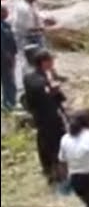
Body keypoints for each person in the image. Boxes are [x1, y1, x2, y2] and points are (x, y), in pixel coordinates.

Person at [22, 49, 67, 185]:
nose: (53, 64)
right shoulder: (32, 77)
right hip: (44, 116)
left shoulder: (44, 75)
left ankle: (59, 167)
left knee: (56, 140)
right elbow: (40, 89)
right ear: (44, 62)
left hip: (52, 114)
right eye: (50, 61)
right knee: (48, 143)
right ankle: (52, 169)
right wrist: (52, 87)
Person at [1, 5, 16, 111]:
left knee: (9, 81)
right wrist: (7, 55)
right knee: (9, 81)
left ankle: (10, 103)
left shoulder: (6, 25)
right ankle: (9, 104)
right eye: (5, 11)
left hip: (8, 57)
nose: (8, 13)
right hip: (4, 58)